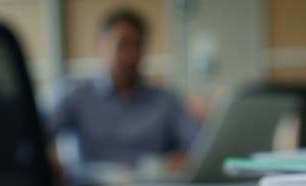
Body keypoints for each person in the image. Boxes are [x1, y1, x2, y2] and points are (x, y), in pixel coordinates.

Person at [49, 9, 199, 168]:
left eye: (138, 46)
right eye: (123, 44)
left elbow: (201, 147)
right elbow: (33, 136)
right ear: (101, 45)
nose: (131, 55)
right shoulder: (75, 95)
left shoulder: (166, 100)